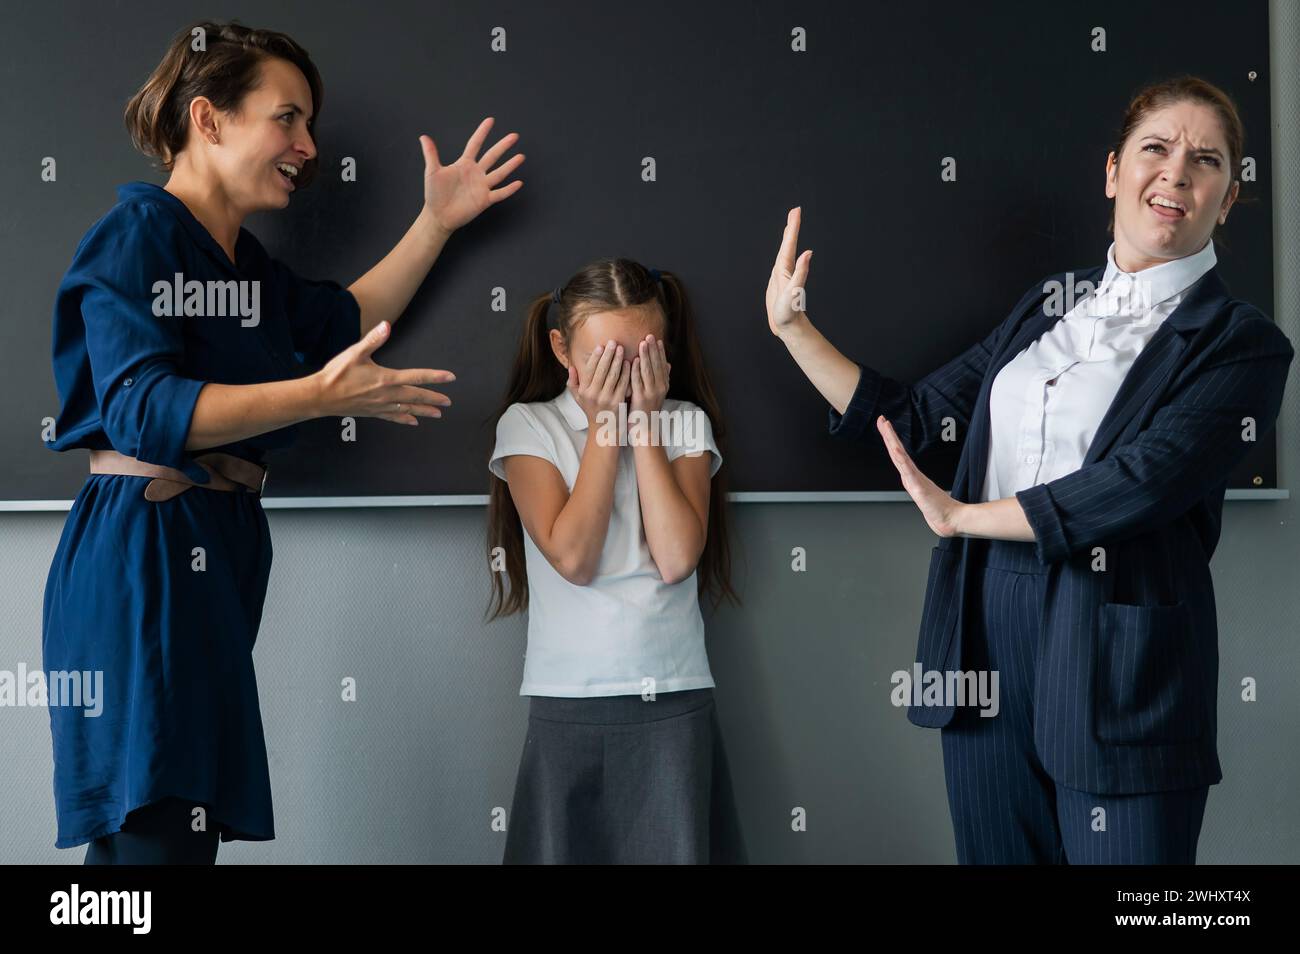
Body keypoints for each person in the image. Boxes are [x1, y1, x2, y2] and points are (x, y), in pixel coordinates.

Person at [766, 75, 1295, 863]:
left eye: (1206, 160)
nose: (1176, 172)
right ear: (1114, 172)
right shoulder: (1047, 307)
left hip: (1116, 645)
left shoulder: (1241, 341)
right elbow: (918, 419)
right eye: (1156, 147)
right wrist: (793, 330)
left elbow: (1142, 482)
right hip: (983, 630)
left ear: (1226, 201)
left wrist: (963, 516)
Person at [43, 19, 523, 863]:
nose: (307, 146)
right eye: (287, 119)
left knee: (177, 830)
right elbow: (143, 409)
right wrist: (316, 393)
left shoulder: (244, 267)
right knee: (149, 830)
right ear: (209, 118)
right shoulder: (140, 236)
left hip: (213, 543)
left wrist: (436, 222)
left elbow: (345, 320)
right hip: (146, 545)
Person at [486, 258, 745, 863]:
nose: (621, 377)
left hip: (674, 697)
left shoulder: (683, 422)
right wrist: (606, 426)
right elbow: (573, 556)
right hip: (568, 699)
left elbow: (678, 556)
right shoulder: (531, 426)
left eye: (639, 358)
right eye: (604, 360)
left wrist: (644, 425)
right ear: (561, 348)